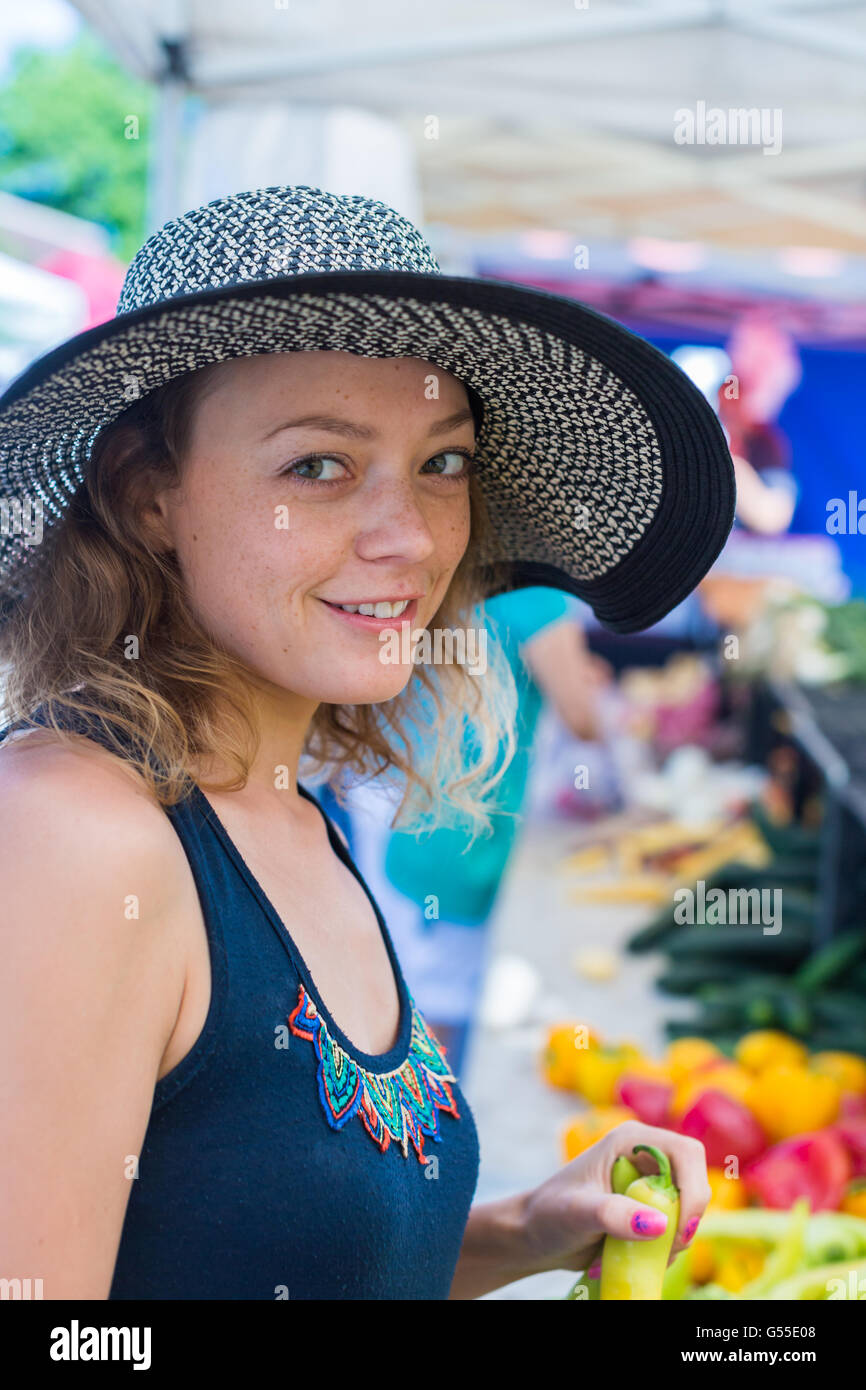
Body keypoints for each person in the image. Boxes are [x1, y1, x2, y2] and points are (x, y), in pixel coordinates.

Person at [0, 185, 728, 1300]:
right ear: (151, 496)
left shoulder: (293, 807)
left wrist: (519, 1230)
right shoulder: (76, 837)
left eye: (441, 463)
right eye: (318, 467)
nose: (409, 538)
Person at [347, 586, 611, 1074]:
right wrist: (586, 685)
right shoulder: (539, 596)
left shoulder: (474, 569)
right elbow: (582, 716)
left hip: (420, 823)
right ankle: (425, 1139)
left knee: (411, 1008)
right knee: (433, 1029)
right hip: (461, 842)